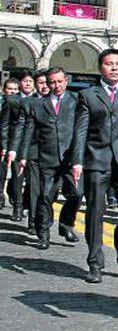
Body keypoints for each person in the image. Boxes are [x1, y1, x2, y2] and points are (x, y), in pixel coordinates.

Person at [71, 49, 118, 283]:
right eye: (109, 64)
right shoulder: (88, 95)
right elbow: (81, 130)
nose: (113, 68)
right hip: (96, 160)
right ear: (100, 67)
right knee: (95, 213)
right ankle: (95, 264)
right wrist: (77, 161)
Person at [19, 67, 81, 249]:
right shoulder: (38, 105)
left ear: (66, 81)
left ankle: (66, 224)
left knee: (77, 194)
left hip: (70, 157)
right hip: (47, 158)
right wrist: (23, 155)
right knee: (45, 196)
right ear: (48, 83)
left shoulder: (76, 101)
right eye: (52, 82)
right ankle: (43, 234)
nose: (57, 85)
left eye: (60, 81)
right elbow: (29, 131)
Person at [0, 77, 23, 220]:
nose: (12, 92)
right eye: (10, 89)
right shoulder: (2, 103)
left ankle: (14, 200)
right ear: (4, 90)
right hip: (2, 142)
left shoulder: (19, 103)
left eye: (15, 89)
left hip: (14, 143)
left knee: (15, 174)